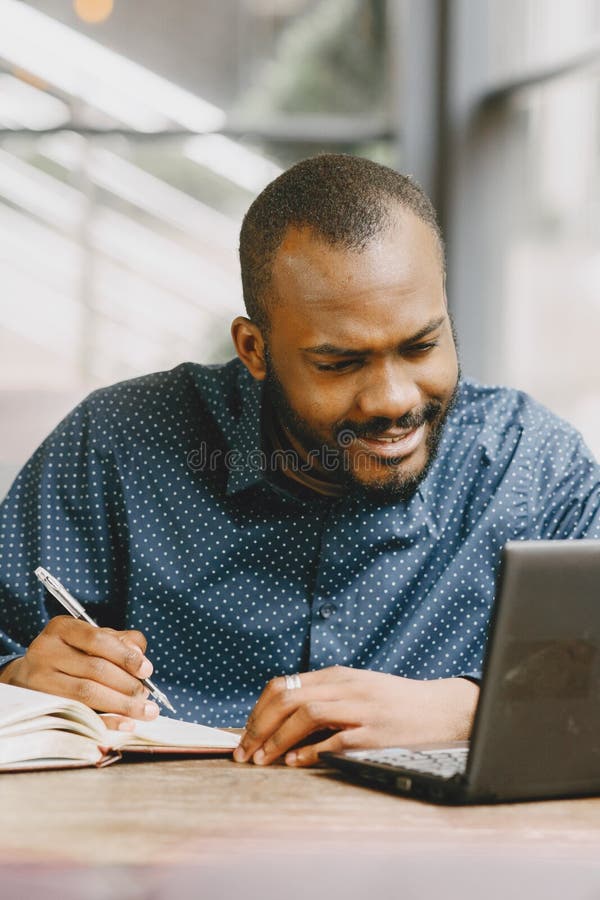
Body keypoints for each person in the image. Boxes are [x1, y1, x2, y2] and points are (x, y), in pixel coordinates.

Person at [1, 154, 599, 768]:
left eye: (422, 345)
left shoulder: (532, 467)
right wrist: (19, 680)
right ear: (254, 349)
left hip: (443, 860)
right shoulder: (117, 444)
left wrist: (469, 709)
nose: (394, 400)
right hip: (161, 852)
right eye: (340, 363)